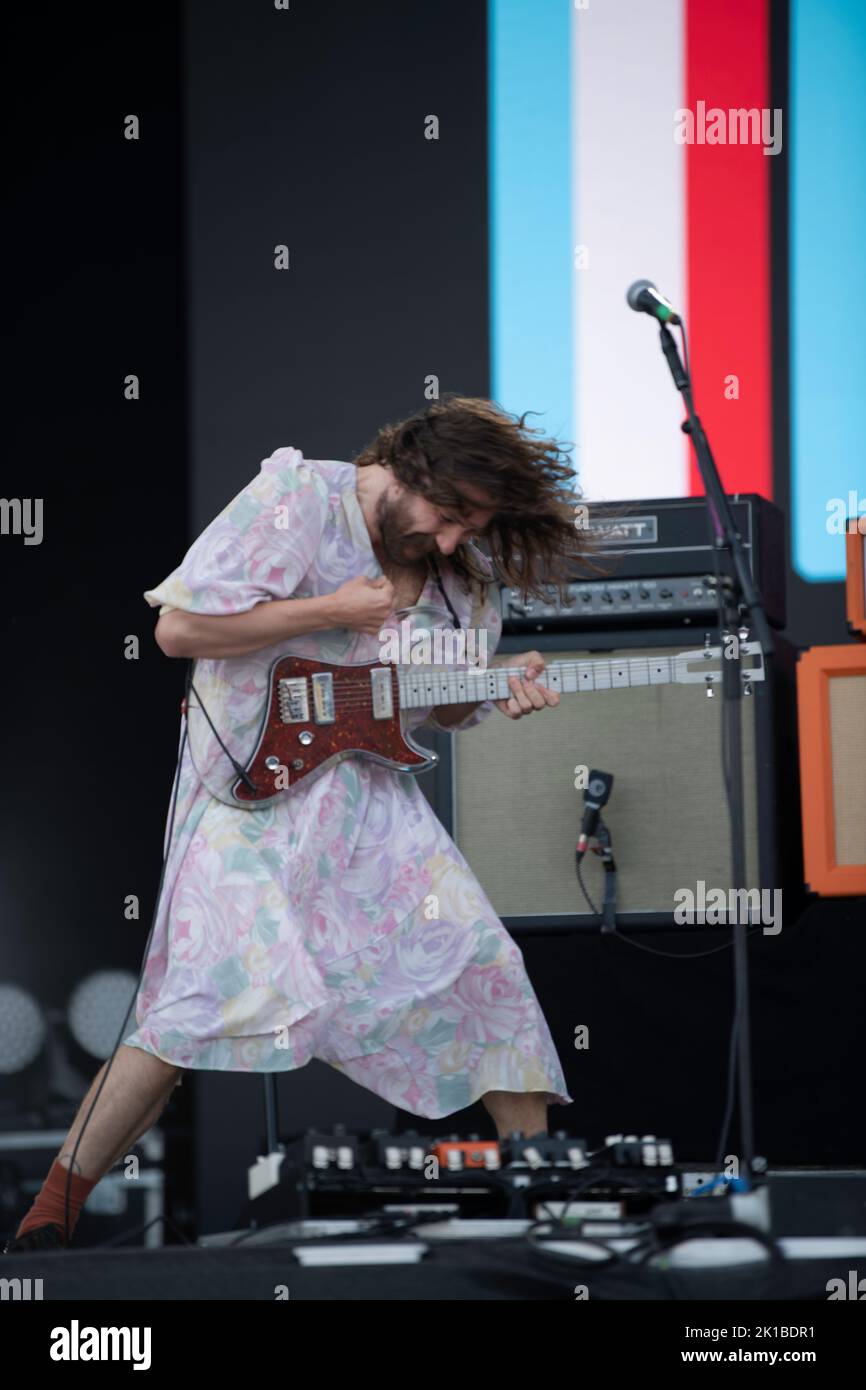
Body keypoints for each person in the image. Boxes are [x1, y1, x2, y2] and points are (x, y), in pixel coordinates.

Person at [5, 394, 590, 1252]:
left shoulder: (460, 582)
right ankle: (45, 1223)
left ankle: (553, 1211)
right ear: (410, 472)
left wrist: (499, 686)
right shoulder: (300, 499)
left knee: (483, 966)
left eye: (473, 526)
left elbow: (438, 707)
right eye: (449, 515)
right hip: (248, 796)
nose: (456, 540)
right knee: (192, 1004)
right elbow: (179, 630)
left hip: (365, 803)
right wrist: (329, 613)